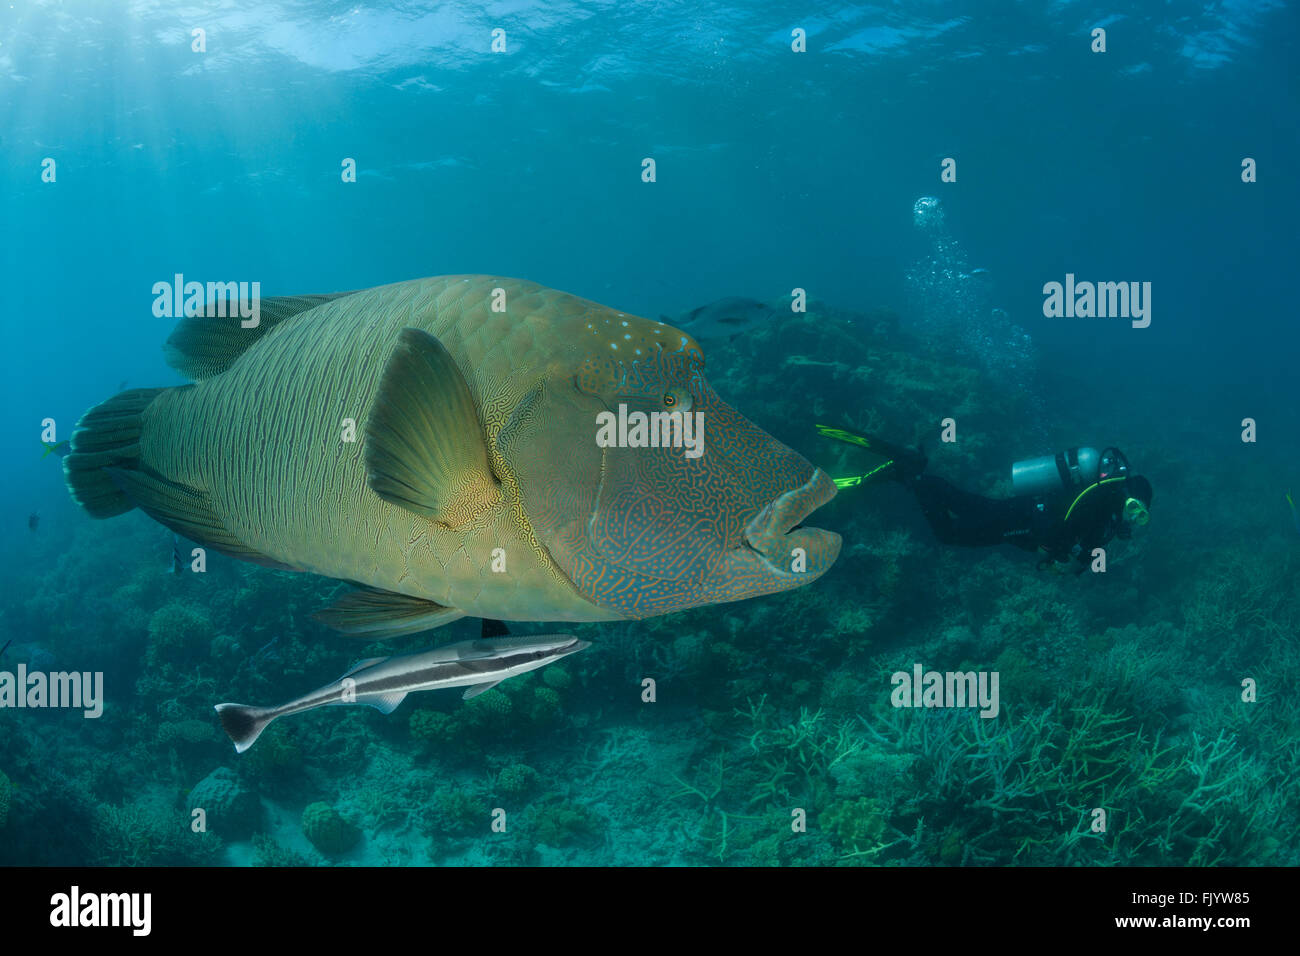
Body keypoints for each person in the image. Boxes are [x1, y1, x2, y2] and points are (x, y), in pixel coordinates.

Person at [817, 425, 1152, 573]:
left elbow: (1083, 542)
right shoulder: (1101, 498)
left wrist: (1071, 557)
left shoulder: (1107, 510)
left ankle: (911, 475)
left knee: (963, 509)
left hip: (1024, 520)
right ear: (1129, 494)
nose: (1133, 516)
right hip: (1024, 519)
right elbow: (1065, 525)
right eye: (1136, 509)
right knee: (953, 527)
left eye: (1140, 516)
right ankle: (912, 473)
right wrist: (1053, 551)